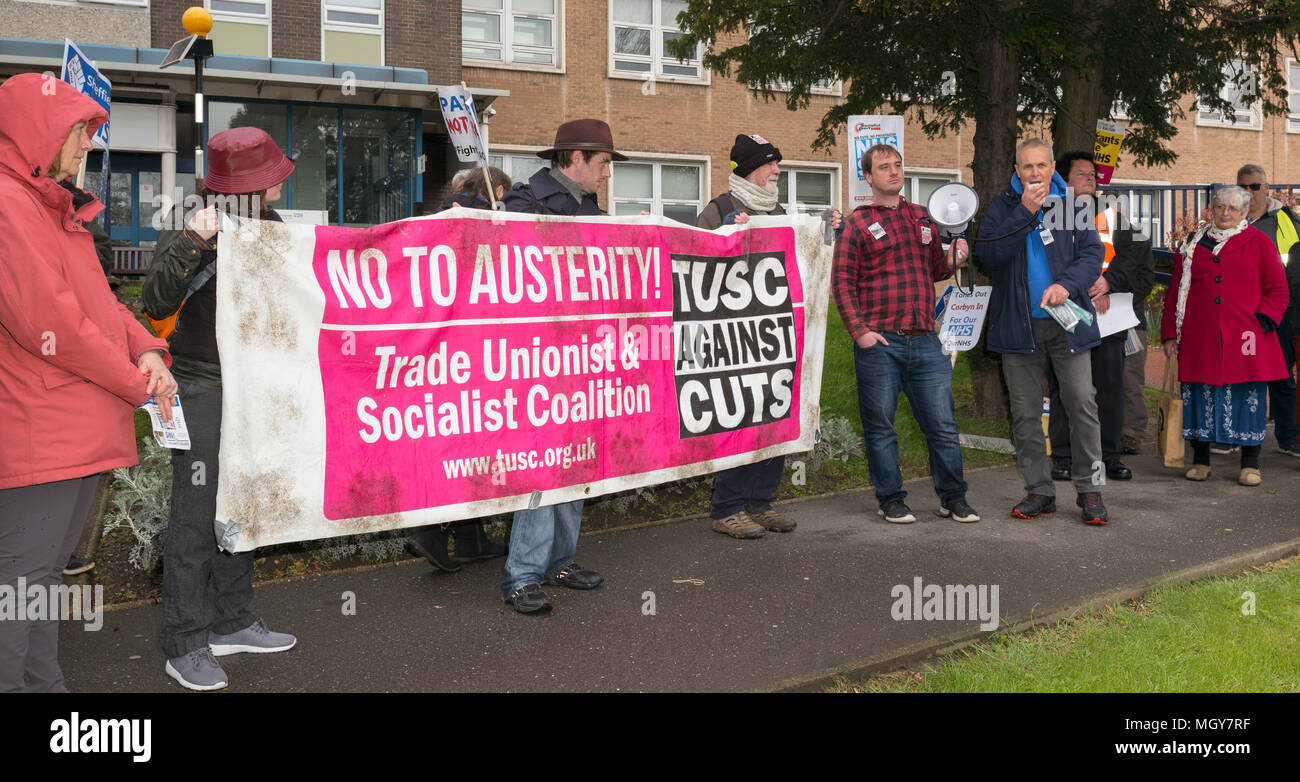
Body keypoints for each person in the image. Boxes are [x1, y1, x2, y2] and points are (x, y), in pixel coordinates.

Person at [0, 72, 176, 692]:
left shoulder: (49, 208)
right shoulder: (9, 203)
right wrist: (136, 381)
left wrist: (149, 350)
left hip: (67, 430)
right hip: (40, 433)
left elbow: (102, 305)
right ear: (40, 133)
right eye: (79, 132)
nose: (85, 148)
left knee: (39, 583)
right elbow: (52, 324)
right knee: (21, 588)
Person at [143, 127, 298, 690]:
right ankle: (185, 642)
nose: (285, 180)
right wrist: (192, 241)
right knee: (196, 512)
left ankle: (231, 621)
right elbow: (155, 301)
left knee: (244, 503)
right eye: (274, 175)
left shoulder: (271, 225)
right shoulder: (192, 216)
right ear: (247, 186)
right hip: (202, 385)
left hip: (253, 387)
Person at [494, 119, 619, 613]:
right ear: (576, 159)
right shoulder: (522, 203)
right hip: (534, 361)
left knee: (577, 459)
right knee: (541, 467)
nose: (608, 174)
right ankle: (521, 576)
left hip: (581, 357)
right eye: (604, 163)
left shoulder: (591, 209)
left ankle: (559, 561)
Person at [832, 143, 978, 524]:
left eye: (897, 165)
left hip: (926, 340)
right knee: (881, 427)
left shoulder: (923, 218)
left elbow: (934, 270)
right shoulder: (856, 223)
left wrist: (952, 258)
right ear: (868, 176)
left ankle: (953, 498)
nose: (894, 172)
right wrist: (860, 332)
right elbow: (842, 283)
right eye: (883, 167)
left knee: (943, 426)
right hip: (880, 342)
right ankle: (891, 499)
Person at [978, 138, 1109, 524]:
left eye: (1041, 166)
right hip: (1018, 327)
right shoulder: (1003, 206)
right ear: (1016, 171)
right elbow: (989, 256)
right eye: (1026, 167)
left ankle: (1091, 490)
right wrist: (1023, 213)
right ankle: (1039, 490)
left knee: (1083, 402)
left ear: (1052, 167)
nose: (1034, 173)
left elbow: (1092, 255)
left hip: (1066, 324)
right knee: (1025, 411)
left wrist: (1066, 284)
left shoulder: (1073, 204)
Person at [407, 165, 515, 573]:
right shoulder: (490, 222)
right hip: (478, 351)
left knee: (454, 444)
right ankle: (436, 532)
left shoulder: (435, 218)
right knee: (473, 447)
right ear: (498, 190)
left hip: (440, 354)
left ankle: (471, 539)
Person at [1161, 185, 1290, 486]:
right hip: (1199, 333)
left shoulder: (1259, 242)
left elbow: (1278, 290)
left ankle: (1250, 462)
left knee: (1248, 397)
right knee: (1199, 394)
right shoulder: (1192, 243)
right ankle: (1201, 460)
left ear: (1245, 212)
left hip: (1247, 334)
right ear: (1212, 209)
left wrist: (1263, 322)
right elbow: (1175, 290)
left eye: (1233, 208)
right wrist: (1169, 334)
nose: (1225, 213)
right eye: (1220, 207)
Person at [1047, 152, 1152, 482]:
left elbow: (1136, 256)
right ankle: (1063, 457)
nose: (1091, 178)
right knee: (1067, 390)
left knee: (1109, 388)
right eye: (1081, 174)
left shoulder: (1115, 215)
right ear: (1064, 180)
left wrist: (1110, 283)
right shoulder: (1051, 214)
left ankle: (1110, 457)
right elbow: (1048, 265)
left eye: (1093, 173)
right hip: (1067, 316)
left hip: (1109, 319)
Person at [1238, 164, 1300, 459]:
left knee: (1282, 376)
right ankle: (1234, 435)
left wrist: (1280, 308)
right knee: (1238, 377)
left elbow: (1296, 269)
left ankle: (1288, 438)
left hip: (1279, 312)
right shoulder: (1230, 219)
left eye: (1255, 186)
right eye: (1244, 187)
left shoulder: (1286, 221)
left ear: (1266, 187)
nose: (1249, 193)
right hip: (1238, 314)